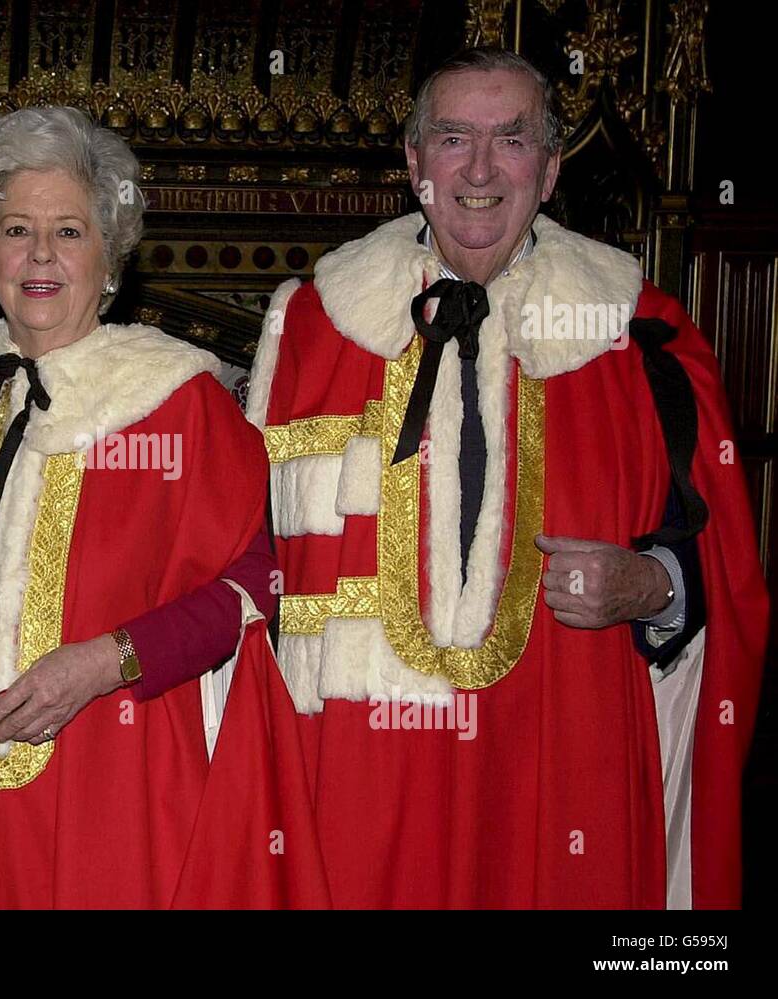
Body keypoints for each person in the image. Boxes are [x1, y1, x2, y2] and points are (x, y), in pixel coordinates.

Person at [247, 48, 767, 908]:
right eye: (453, 138)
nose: (481, 169)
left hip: (562, 765)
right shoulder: (310, 325)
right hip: (355, 781)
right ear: (413, 162)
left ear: (552, 168)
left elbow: (725, 576)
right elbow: (241, 566)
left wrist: (650, 583)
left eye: (513, 139)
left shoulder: (640, 334)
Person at [0, 106, 328, 907]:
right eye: (16, 229)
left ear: (111, 257)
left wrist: (110, 658)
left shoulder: (180, 402)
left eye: (70, 232)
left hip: (124, 775)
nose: (41, 255)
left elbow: (260, 588)